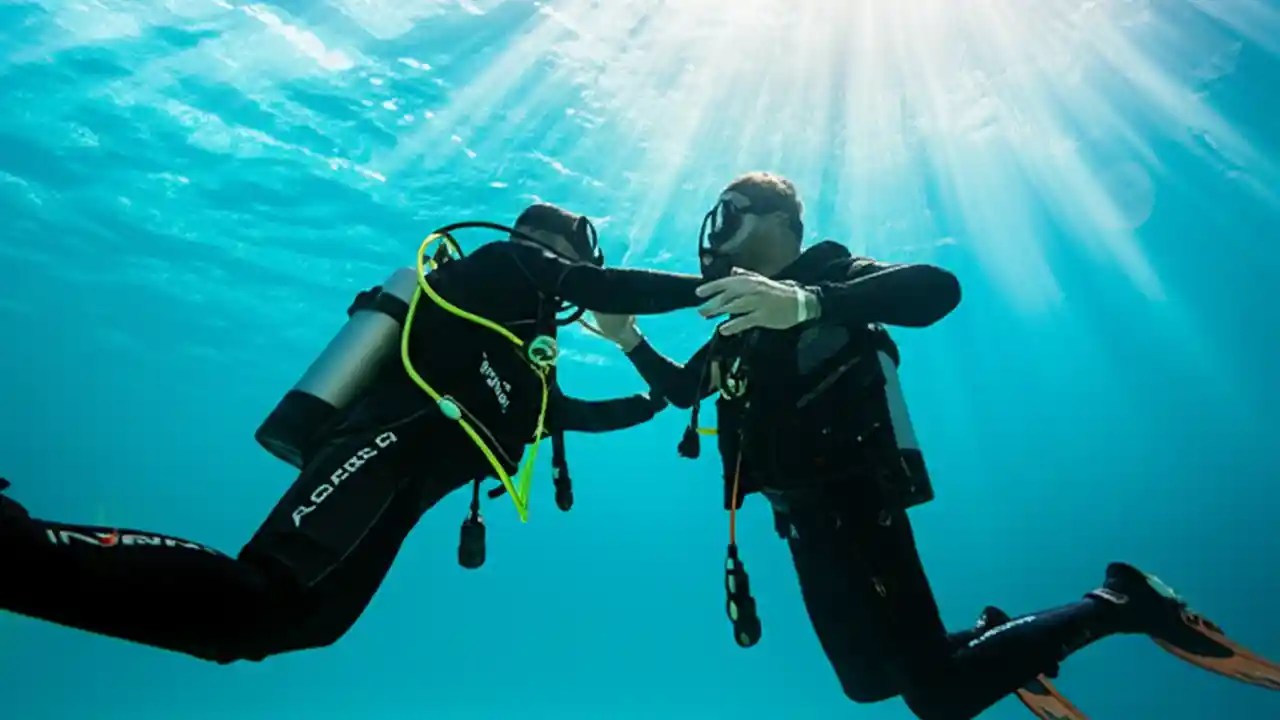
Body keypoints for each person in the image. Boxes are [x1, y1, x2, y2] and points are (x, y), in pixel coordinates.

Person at [592, 171, 1280, 719]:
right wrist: (627, 339)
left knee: (939, 698)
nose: (718, 229)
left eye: (732, 210)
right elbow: (685, 391)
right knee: (866, 685)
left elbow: (936, 289)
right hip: (797, 520)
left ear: (782, 223)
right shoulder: (738, 322)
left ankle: (1126, 600)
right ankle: (995, 637)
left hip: (856, 500)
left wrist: (808, 302)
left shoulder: (837, 273)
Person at [0, 202, 709, 665]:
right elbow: (608, 290)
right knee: (267, 589)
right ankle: (15, 547)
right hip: (383, 443)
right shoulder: (504, 263)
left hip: (410, 482)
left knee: (292, 621)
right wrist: (720, 287)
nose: (574, 277)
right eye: (576, 260)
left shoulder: (523, 347)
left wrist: (652, 402)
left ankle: (16, 563)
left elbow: (563, 415)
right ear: (557, 248)